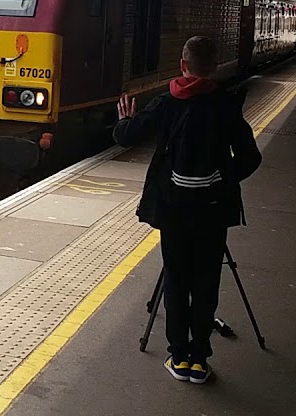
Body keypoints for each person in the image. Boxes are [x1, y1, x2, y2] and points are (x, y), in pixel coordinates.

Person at [113, 35, 261, 384]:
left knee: (177, 279)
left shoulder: (166, 103)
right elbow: (251, 158)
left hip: (174, 210)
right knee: (207, 280)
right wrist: (223, 180)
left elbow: (127, 137)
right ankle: (199, 359)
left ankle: (177, 357)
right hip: (212, 211)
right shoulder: (226, 104)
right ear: (213, 68)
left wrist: (124, 121)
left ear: (183, 65)